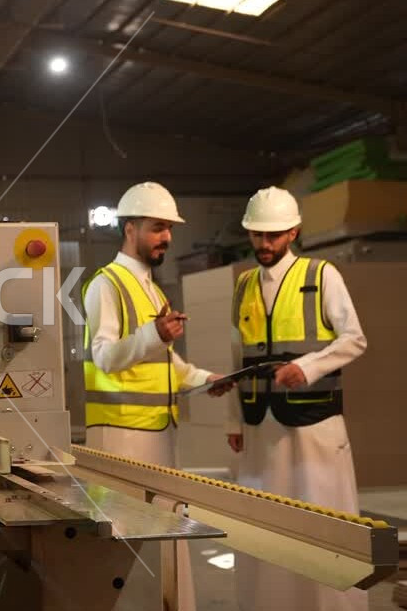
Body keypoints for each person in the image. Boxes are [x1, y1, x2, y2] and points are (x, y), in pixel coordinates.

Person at [82, 181, 229, 611]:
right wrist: (153, 333)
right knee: (129, 556)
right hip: (121, 439)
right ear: (130, 229)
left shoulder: (154, 290)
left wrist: (206, 379)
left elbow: (168, 365)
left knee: (166, 543)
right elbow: (105, 357)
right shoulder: (105, 284)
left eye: (168, 229)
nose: (166, 237)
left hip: (158, 437)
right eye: (157, 227)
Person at [227, 186, 367, 611]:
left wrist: (308, 367)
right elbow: (240, 356)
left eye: (274, 236)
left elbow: (354, 339)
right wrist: (234, 420)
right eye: (257, 236)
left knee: (322, 526)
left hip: (316, 427)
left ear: (294, 233)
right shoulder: (244, 284)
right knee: (264, 526)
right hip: (260, 428)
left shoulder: (322, 275)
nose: (264, 245)